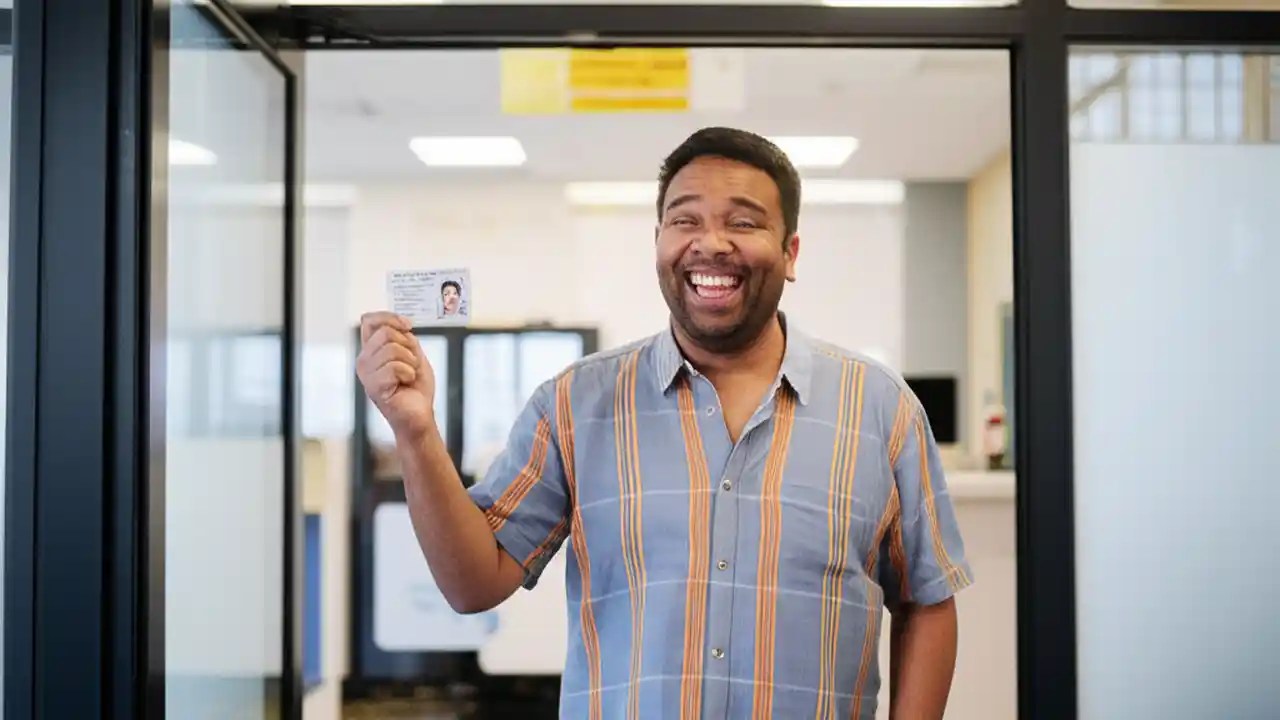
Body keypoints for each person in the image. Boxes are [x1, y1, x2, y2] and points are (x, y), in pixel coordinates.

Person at [357, 126, 972, 720]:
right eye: (685, 220)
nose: (711, 243)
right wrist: (415, 431)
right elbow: (472, 584)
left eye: (744, 221)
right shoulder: (575, 405)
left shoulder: (880, 408)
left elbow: (926, 603)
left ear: (790, 253)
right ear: (658, 242)